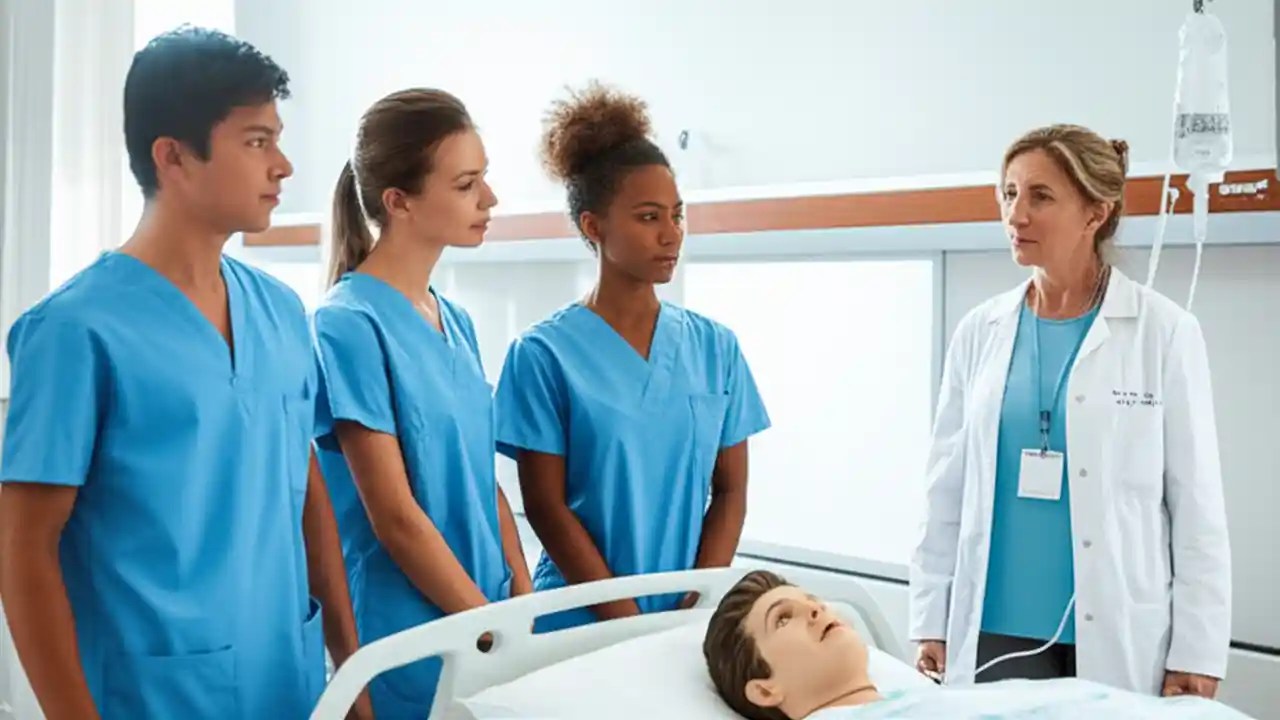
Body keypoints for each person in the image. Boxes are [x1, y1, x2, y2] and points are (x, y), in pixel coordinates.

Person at [0, 27, 364, 719]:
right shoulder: (75, 331)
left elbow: (309, 490)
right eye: (257, 141)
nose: (283, 165)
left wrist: (353, 669)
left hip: (285, 679)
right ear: (173, 157)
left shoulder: (283, 314)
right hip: (151, 694)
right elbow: (22, 548)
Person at [908, 125, 1231, 697]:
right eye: (1009, 193)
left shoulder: (1165, 332)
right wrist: (930, 614)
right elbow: (945, 490)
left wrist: (1198, 651)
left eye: (1041, 196)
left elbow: (1197, 506)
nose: (1016, 214)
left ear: (1095, 213)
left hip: (1118, 634)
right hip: (991, 630)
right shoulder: (980, 332)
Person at [492, 81, 771, 631]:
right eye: (648, 218)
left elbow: (731, 489)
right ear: (593, 227)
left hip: (687, 618)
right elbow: (547, 509)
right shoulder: (544, 355)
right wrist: (624, 619)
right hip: (579, 618)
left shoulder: (716, 348)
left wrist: (698, 600)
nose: (671, 234)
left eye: (677, 214)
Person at [313, 87, 533, 719]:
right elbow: (395, 517)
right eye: (467, 184)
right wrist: (486, 626)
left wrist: (519, 602)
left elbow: (481, 481)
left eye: (484, 178)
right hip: (407, 632)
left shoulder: (456, 322)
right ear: (399, 202)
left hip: (484, 619)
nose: (489, 199)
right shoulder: (347, 325)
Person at [703, 570, 1250, 719]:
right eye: (786, 618)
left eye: (812, 600)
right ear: (764, 688)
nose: (817, 609)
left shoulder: (930, 700)